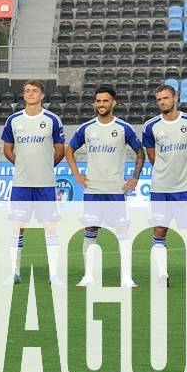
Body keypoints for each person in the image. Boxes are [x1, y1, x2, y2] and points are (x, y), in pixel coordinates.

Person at [65, 85, 145, 289]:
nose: (101, 104)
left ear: (113, 103)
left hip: (116, 190)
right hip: (92, 190)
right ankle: (88, 276)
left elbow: (140, 152)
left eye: (105, 101)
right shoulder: (87, 128)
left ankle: (126, 278)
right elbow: (69, 150)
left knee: (122, 231)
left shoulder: (124, 128)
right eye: (98, 101)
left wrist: (135, 178)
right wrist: (76, 175)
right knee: (90, 230)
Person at [1, 80, 65, 285]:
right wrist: (22, 164)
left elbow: (60, 151)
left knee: (50, 227)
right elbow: (7, 150)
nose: (30, 94)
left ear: (42, 95)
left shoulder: (52, 120)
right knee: (16, 227)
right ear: (23, 95)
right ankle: (14, 272)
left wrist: (45, 166)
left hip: (46, 184)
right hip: (21, 184)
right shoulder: (13, 120)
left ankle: (53, 274)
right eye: (27, 91)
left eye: (34, 91)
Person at [142, 84, 187, 288]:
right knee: (160, 231)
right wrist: (167, 172)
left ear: (175, 97)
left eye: (166, 98)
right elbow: (152, 156)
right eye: (159, 99)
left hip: (186, 188)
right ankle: (163, 275)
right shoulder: (150, 126)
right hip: (160, 189)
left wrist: (182, 170)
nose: (162, 102)